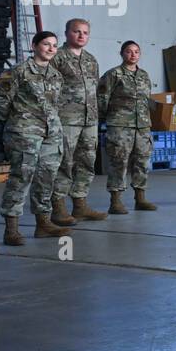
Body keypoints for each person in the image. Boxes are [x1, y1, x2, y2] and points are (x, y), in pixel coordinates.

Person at [0, 30, 68, 245]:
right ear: (34, 46)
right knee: (21, 178)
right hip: (24, 133)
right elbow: (1, 102)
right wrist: (18, 121)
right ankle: (12, 229)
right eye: (46, 44)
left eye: (54, 45)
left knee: (47, 178)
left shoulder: (56, 75)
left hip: (51, 134)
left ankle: (43, 223)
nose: (51, 49)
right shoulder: (17, 72)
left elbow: (56, 105)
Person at [51, 18, 107, 223]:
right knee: (64, 163)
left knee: (87, 162)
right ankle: (58, 207)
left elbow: (96, 90)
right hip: (66, 119)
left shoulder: (91, 59)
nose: (81, 35)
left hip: (89, 120)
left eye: (85, 32)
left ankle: (80, 205)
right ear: (67, 33)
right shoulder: (57, 57)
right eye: (77, 31)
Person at [98, 41, 158, 214]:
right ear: (122, 53)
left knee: (142, 161)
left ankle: (140, 198)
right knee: (119, 161)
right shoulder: (113, 74)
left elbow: (147, 100)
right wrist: (107, 119)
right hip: (120, 126)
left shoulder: (144, 75)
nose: (133, 55)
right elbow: (102, 99)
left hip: (142, 126)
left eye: (136, 52)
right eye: (129, 51)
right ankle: (115, 201)